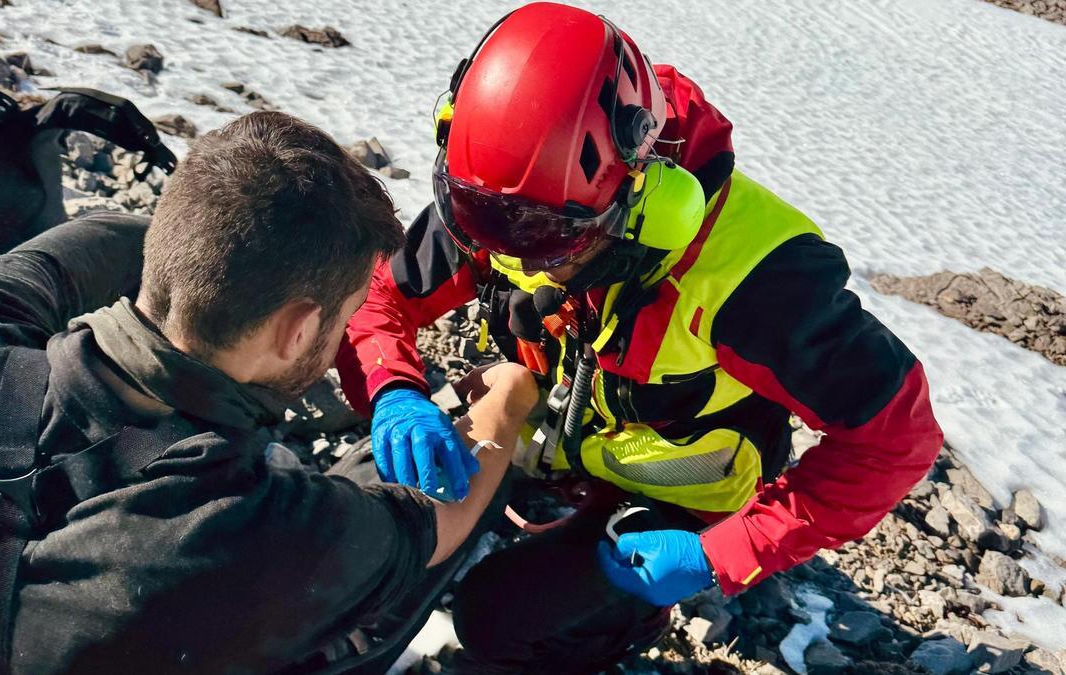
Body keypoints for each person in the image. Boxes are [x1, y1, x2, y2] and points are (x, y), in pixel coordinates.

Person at [334, 3, 945, 672]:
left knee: (496, 622)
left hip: (681, 499)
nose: (515, 258)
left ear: (640, 201)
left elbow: (895, 441)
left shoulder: (760, 280)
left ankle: (637, 609)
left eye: (547, 243)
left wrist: (724, 552)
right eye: (484, 223)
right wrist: (394, 386)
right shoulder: (505, 192)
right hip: (564, 444)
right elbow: (377, 292)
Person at [0, 110, 538, 674]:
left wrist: (215, 260)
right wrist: (509, 388)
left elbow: (96, 238)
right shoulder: (257, 535)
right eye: (346, 315)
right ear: (299, 328)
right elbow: (429, 525)